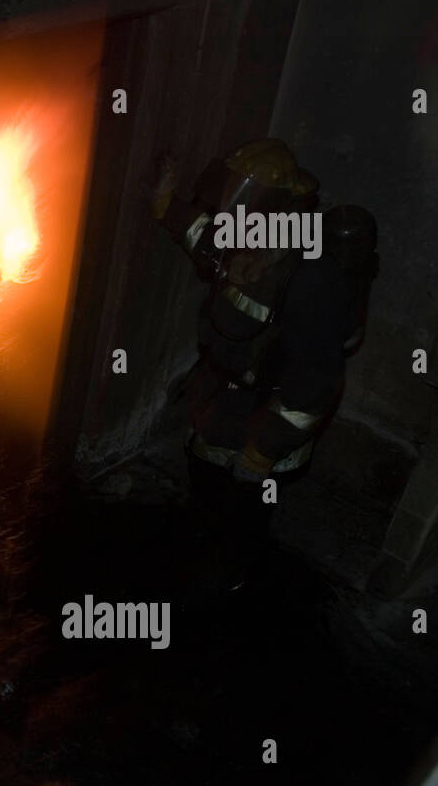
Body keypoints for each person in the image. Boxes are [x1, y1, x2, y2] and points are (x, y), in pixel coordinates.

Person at [151, 139, 378, 595]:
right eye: (237, 192)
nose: (236, 207)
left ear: (282, 204)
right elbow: (208, 243)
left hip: (266, 416)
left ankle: (232, 573)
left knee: (246, 505)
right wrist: (166, 207)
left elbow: (314, 386)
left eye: (248, 196)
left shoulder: (312, 278)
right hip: (225, 398)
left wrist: (264, 449)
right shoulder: (254, 234)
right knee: (209, 482)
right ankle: (208, 541)